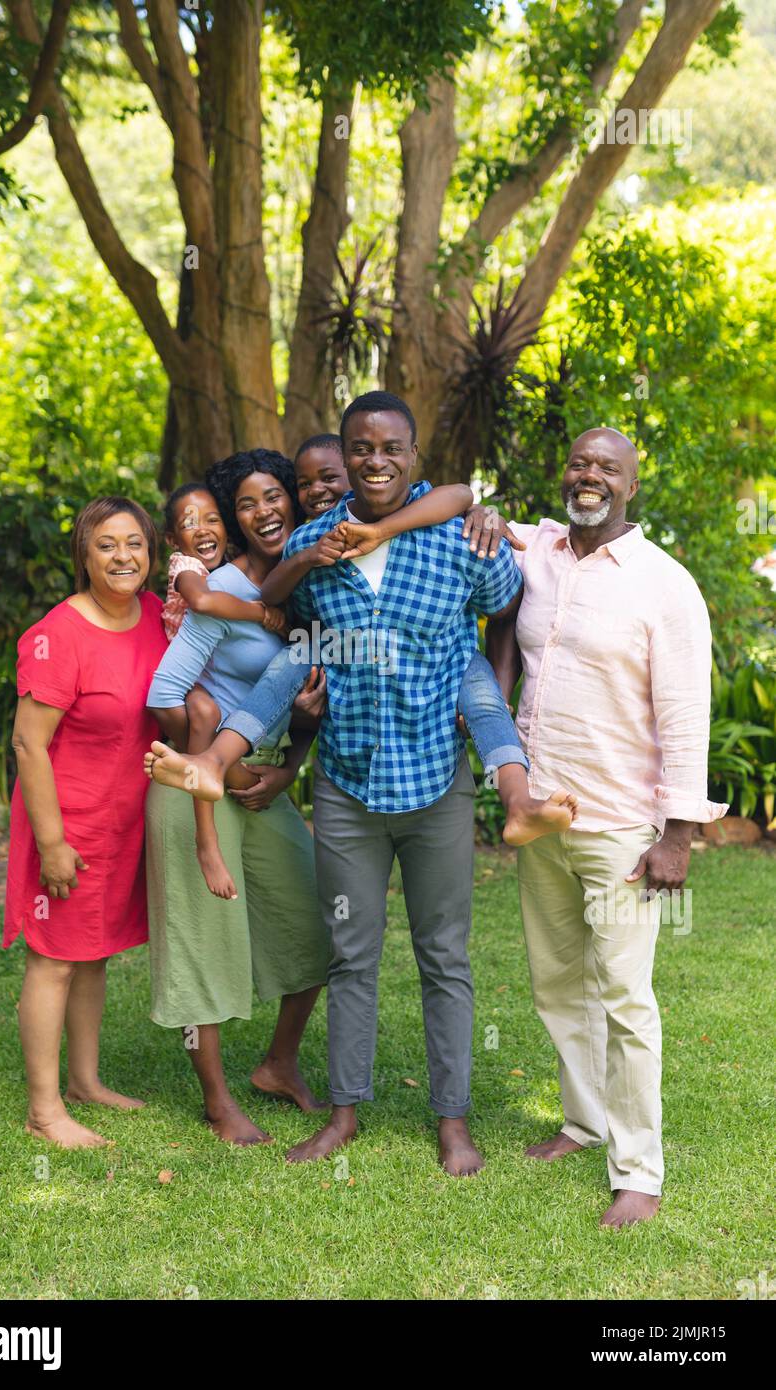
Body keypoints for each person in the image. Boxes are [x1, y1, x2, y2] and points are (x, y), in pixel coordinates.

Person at [148, 391, 556, 1175]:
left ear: (413, 456)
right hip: (347, 790)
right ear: (345, 453)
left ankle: (453, 1121)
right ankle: (343, 1114)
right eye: (360, 448)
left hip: (437, 785)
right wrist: (221, 753)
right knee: (350, 955)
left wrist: (491, 696)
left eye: (390, 448)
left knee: (444, 957)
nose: (375, 461)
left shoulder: (461, 540)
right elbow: (294, 656)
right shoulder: (310, 547)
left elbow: (506, 613)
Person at [486, 427, 728, 1226]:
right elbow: (462, 515)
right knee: (558, 983)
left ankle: (640, 1170)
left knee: (625, 996)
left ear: (631, 485)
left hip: (623, 823)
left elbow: (686, 714)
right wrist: (483, 514)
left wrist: (677, 834)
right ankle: (584, 1122)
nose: (591, 476)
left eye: (608, 468)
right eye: (581, 463)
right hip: (541, 814)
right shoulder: (540, 551)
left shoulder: (664, 585)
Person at [143, 450, 330, 1147]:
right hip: (198, 789)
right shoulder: (217, 590)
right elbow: (166, 692)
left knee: (315, 921)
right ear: (235, 519)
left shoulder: (305, 586)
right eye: (247, 504)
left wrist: (285, 760)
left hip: (261, 788)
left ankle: (279, 1065)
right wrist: (207, 750)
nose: (265, 512)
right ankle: (218, 1102)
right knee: (204, 945)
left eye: (274, 496)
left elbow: (300, 700)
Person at [3, 497, 168, 1148]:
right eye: (106, 544)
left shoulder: (156, 615)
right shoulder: (58, 636)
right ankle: (45, 1111)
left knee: (91, 957)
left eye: (135, 543)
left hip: (123, 822)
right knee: (53, 961)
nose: (123, 556)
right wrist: (51, 842)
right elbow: (26, 745)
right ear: (83, 555)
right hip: (67, 822)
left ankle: (86, 1082)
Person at [149, 482, 288, 900]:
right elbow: (206, 604)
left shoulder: (225, 568)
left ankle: (211, 771)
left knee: (208, 715)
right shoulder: (186, 567)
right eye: (190, 523)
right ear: (174, 539)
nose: (203, 529)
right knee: (205, 714)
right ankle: (206, 843)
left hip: (202, 683)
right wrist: (261, 613)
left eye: (213, 519)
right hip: (190, 687)